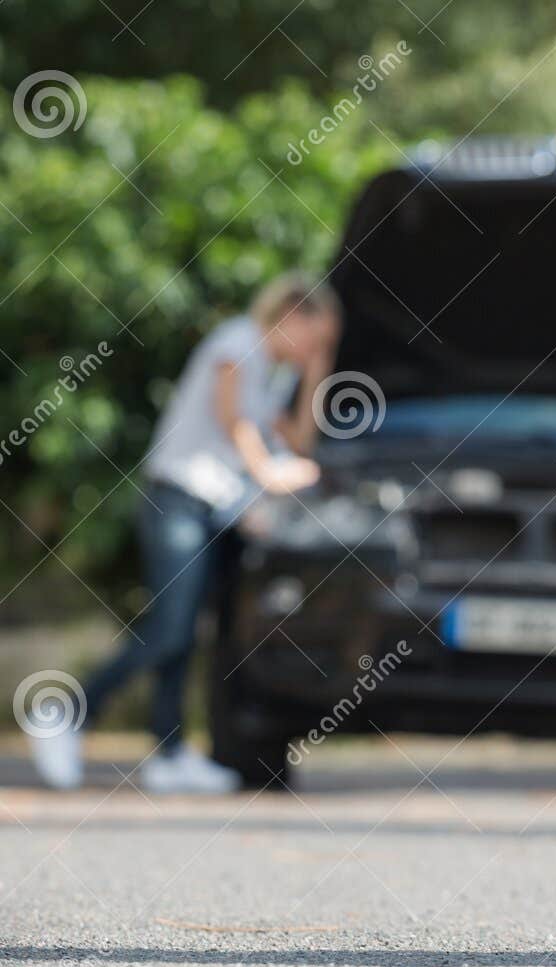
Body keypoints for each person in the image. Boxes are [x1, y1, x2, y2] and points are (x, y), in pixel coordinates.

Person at [27, 274, 338, 793]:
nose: (316, 347)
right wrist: (268, 474)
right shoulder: (237, 343)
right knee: (170, 629)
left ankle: (168, 753)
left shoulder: (277, 375)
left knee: (184, 631)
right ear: (291, 314)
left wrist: (316, 375)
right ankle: (65, 713)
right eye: (317, 337)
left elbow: (301, 440)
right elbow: (232, 420)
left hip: (210, 509)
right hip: (175, 498)